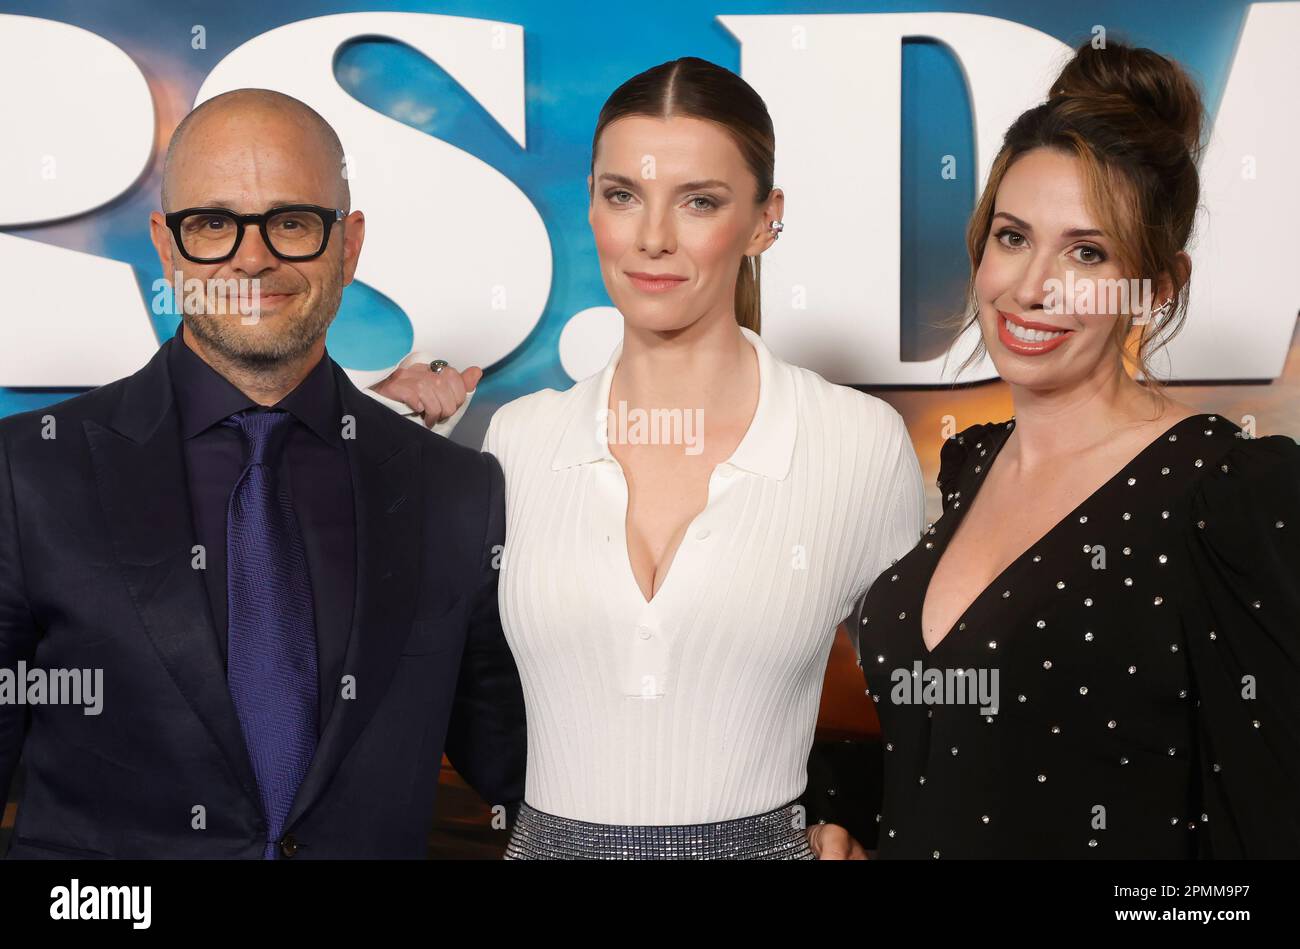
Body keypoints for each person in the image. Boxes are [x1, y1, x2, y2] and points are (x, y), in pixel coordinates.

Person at [0, 89, 526, 859]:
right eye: (212, 223)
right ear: (166, 245)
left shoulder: (456, 493)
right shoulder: (26, 474)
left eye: (291, 221)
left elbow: (534, 772)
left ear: (348, 245)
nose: (253, 257)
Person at [846, 40, 1300, 858]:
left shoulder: (1228, 494)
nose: (1030, 287)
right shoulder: (972, 463)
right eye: (1014, 237)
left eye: (1087, 253)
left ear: (1157, 288)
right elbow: (953, 759)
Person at [483, 57, 922, 858]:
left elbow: (933, 712)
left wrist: (866, 840)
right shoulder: (518, 439)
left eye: (700, 202)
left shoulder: (855, 443)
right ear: (592, 205)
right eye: (623, 195)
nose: (653, 238)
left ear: (764, 220)